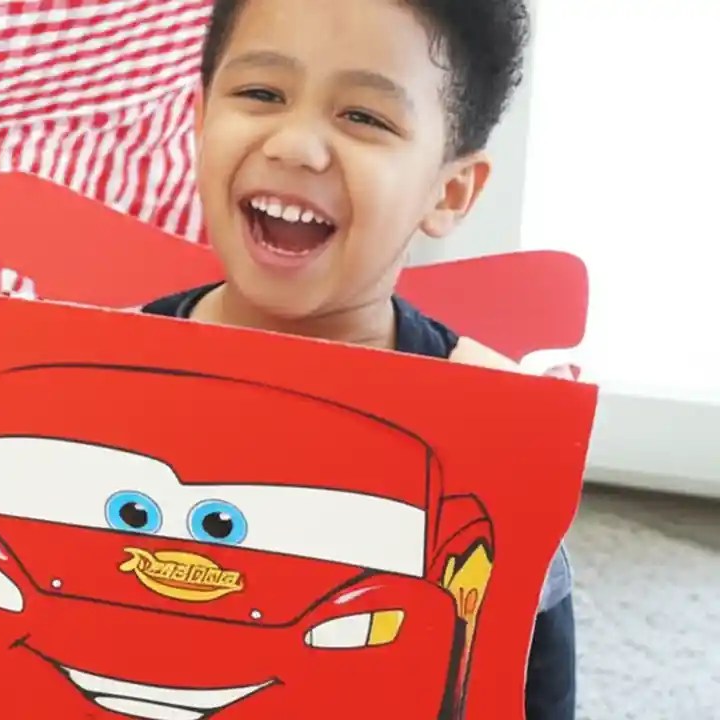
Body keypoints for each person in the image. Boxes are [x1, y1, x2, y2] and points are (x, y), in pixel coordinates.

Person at [140, 1, 575, 718]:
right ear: (199, 122)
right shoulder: (82, 373)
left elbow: (527, 684)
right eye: (261, 93)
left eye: (364, 117)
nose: (295, 146)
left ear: (449, 190)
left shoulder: (494, 428)